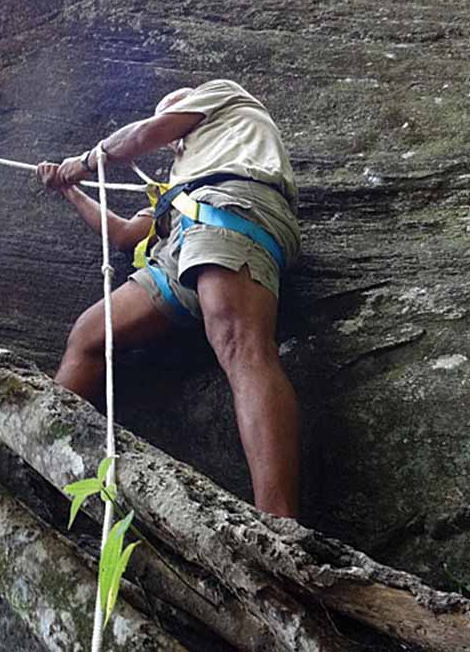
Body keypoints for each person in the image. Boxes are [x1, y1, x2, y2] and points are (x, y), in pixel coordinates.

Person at [37, 79, 302, 517]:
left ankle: (281, 523)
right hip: (183, 235)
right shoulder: (180, 178)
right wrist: (68, 187)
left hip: (230, 205)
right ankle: (39, 453)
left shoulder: (225, 98)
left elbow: (143, 135)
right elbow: (124, 234)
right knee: (89, 333)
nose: (173, 139)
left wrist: (83, 162)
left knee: (240, 344)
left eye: (173, 112)